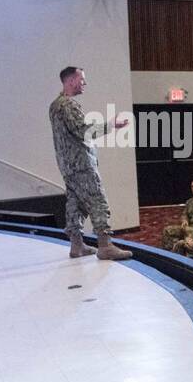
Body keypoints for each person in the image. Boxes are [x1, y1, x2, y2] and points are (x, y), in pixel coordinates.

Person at [47, 65, 132, 260]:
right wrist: (111, 125)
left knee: (75, 203)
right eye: (82, 79)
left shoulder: (54, 106)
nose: (85, 83)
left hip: (67, 165)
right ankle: (105, 245)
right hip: (81, 164)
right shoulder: (68, 105)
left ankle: (77, 245)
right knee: (97, 200)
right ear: (70, 81)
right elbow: (83, 131)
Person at [162, 180, 193, 249]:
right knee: (167, 230)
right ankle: (169, 253)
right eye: (192, 186)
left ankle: (187, 256)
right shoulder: (190, 201)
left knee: (187, 232)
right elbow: (184, 214)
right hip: (188, 226)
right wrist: (184, 220)